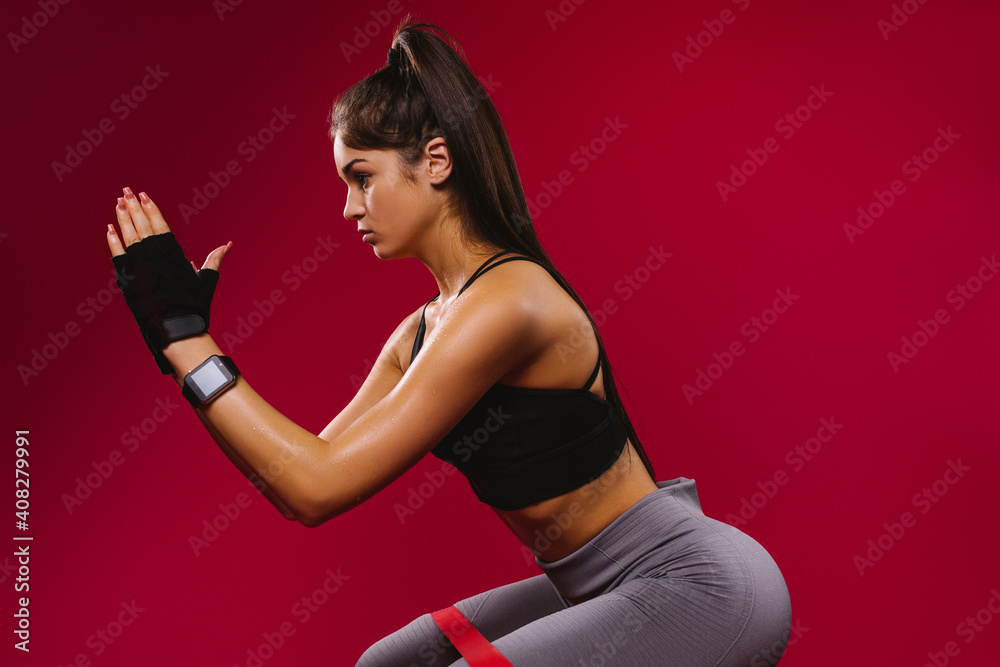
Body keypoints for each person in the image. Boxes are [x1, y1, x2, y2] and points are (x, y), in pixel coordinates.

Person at [105, 15, 793, 667]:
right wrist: (181, 347)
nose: (349, 208)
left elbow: (315, 484)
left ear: (435, 161)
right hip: (603, 588)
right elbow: (301, 479)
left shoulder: (509, 301)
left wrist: (189, 340)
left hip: (699, 585)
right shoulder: (419, 334)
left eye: (362, 177)